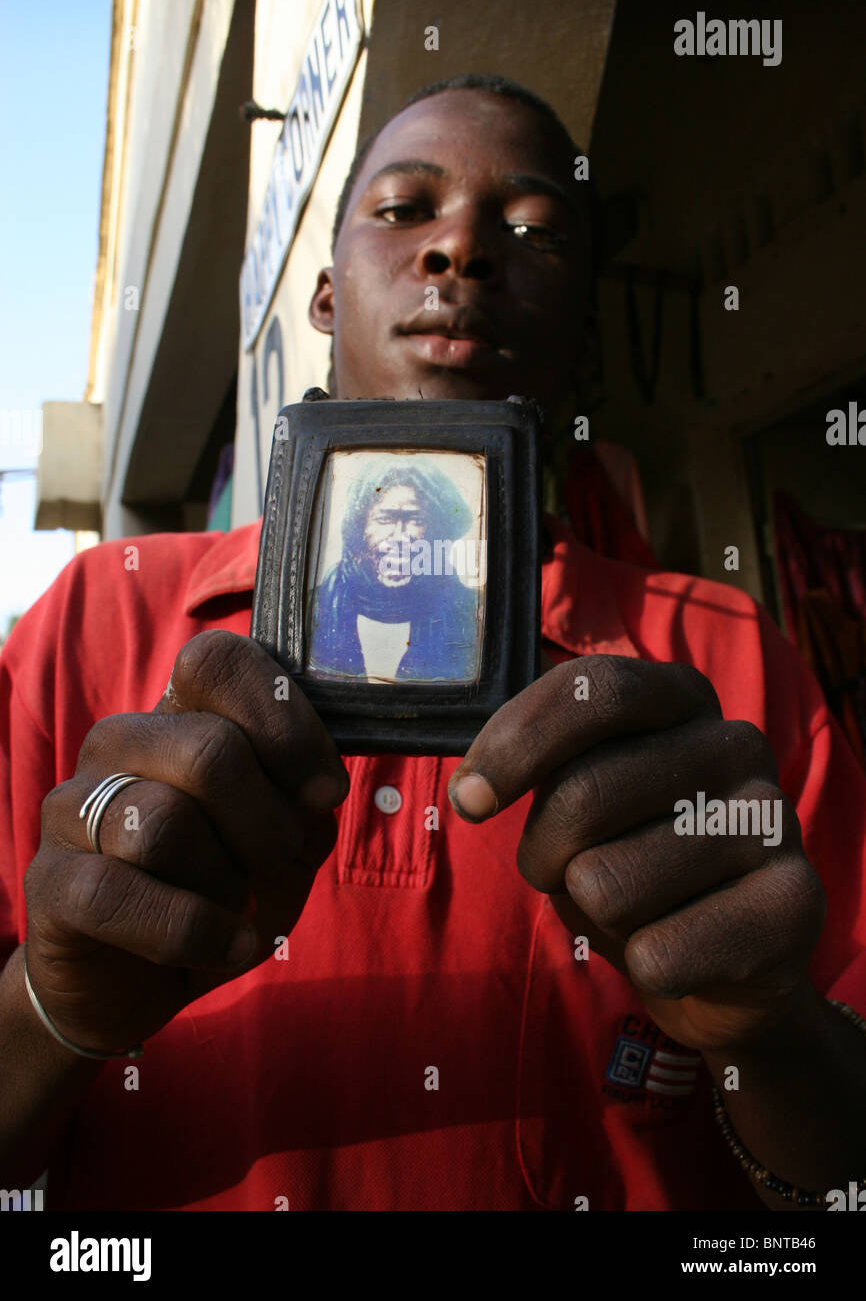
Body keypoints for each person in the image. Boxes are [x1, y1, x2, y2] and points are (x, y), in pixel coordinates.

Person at [1, 73, 865, 1212]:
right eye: (404, 209)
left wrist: (767, 1027)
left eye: (532, 230)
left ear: (580, 319)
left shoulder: (725, 658)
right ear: (320, 294)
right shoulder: (93, 617)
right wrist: (52, 1008)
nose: (461, 246)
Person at [307, 456, 481, 682]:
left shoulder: (471, 611)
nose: (400, 537)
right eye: (385, 519)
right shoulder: (314, 605)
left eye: (415, 519)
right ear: (360, 527)